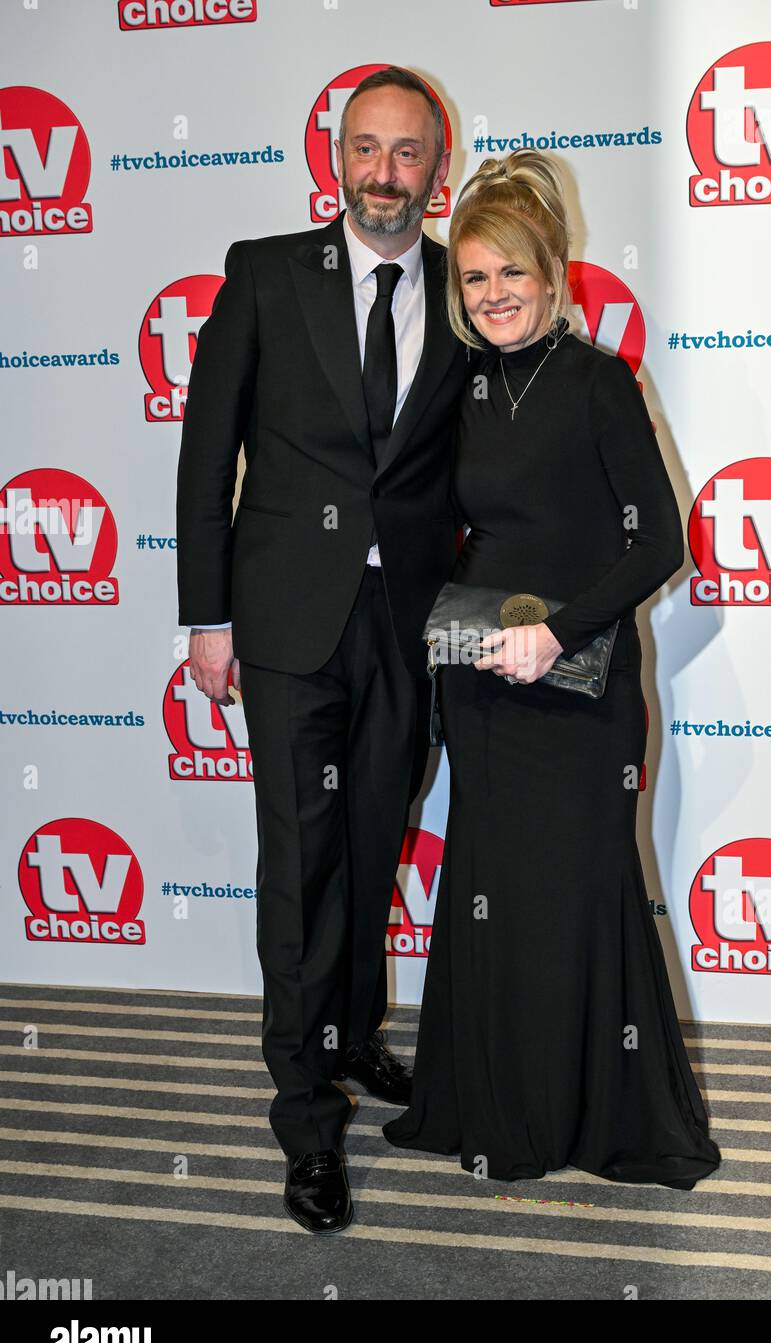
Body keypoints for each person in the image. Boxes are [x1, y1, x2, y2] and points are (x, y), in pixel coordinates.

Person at [383, 151, 722, 1188]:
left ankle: (590, 1116)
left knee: (575, 890)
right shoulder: (455, 388)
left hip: (579, 684)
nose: (492, 296)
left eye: (510, 276)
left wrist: (558, 632)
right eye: (474, 278)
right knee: (488, 888)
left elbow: (657, 541)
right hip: (479, 680)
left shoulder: (598, 379)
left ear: (550, 274)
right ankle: (487, 1106)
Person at [176, 67, 469, 1233]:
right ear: (333, 159)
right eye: (366, 149)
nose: (384, 173)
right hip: (288, 625)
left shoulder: (462, 287)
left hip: (408, 628)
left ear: (433, 170)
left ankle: (349, 1041)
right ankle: (305, 1119)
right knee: (300, 873)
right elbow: (207, 455)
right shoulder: (261, 273)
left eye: (407, 154)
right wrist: (207, 617)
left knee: (368, 841)